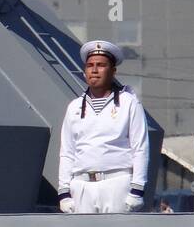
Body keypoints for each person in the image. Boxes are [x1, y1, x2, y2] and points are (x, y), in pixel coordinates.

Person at [57, 40, 149, 214]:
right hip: (82, 186)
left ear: (113, 71)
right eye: (90, 65)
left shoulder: (129, 102)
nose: (94, 70)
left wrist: (137, 190)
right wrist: (64, 192)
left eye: (101, 65)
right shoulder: (74, 107)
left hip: (116, 183)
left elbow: (140, 148)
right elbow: (67, 152)